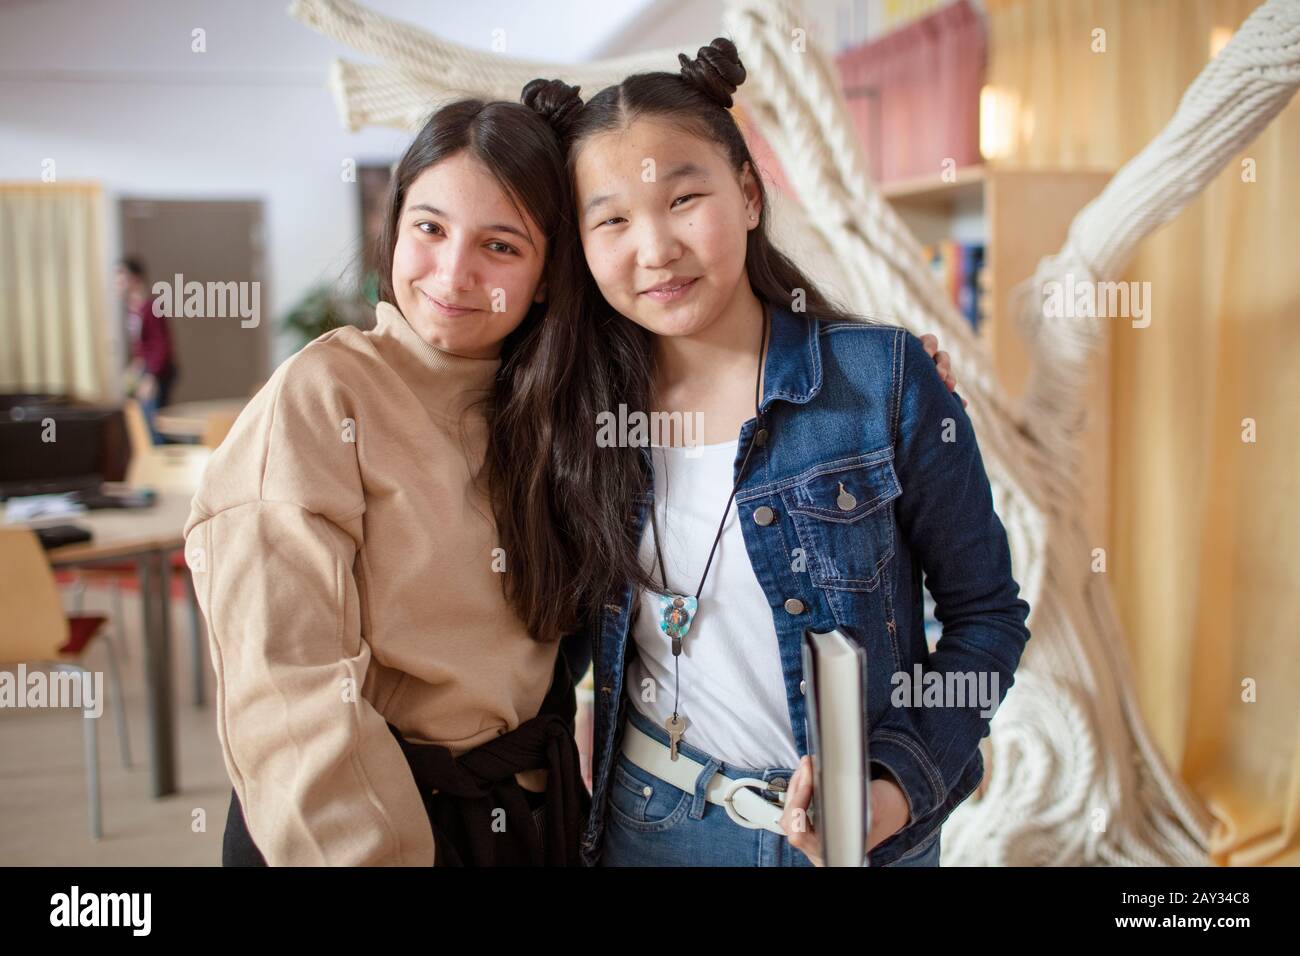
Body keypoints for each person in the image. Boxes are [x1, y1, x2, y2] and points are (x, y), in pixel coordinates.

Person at [529, 37, 1031, 867]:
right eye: (612, 219)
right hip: (650, 823)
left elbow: (987, 618)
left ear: (751, 195)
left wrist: (894, 790)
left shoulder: (883, 379)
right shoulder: (578, 413)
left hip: (855, 835)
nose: (654, 249)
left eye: (685, 199)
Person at [183, 90, 596, 866]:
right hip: (371, 821)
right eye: (430, 228)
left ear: (547, 276)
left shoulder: (551, 409)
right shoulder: (323, 396)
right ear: (395, 226)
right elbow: (288, 691)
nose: (453, 271)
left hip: (526, 815)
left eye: (500, 246)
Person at [115, 257, 178, 443]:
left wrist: (151, 377)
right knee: (141, 422)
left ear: (135, 279)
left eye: (121, 278)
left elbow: (161, 346)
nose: (117, 284)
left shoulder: (151, 308)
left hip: (157, 372)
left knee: (154, 426)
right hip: (144, 370)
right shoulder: (132, 310)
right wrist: (135, 367)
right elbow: (142, 347)